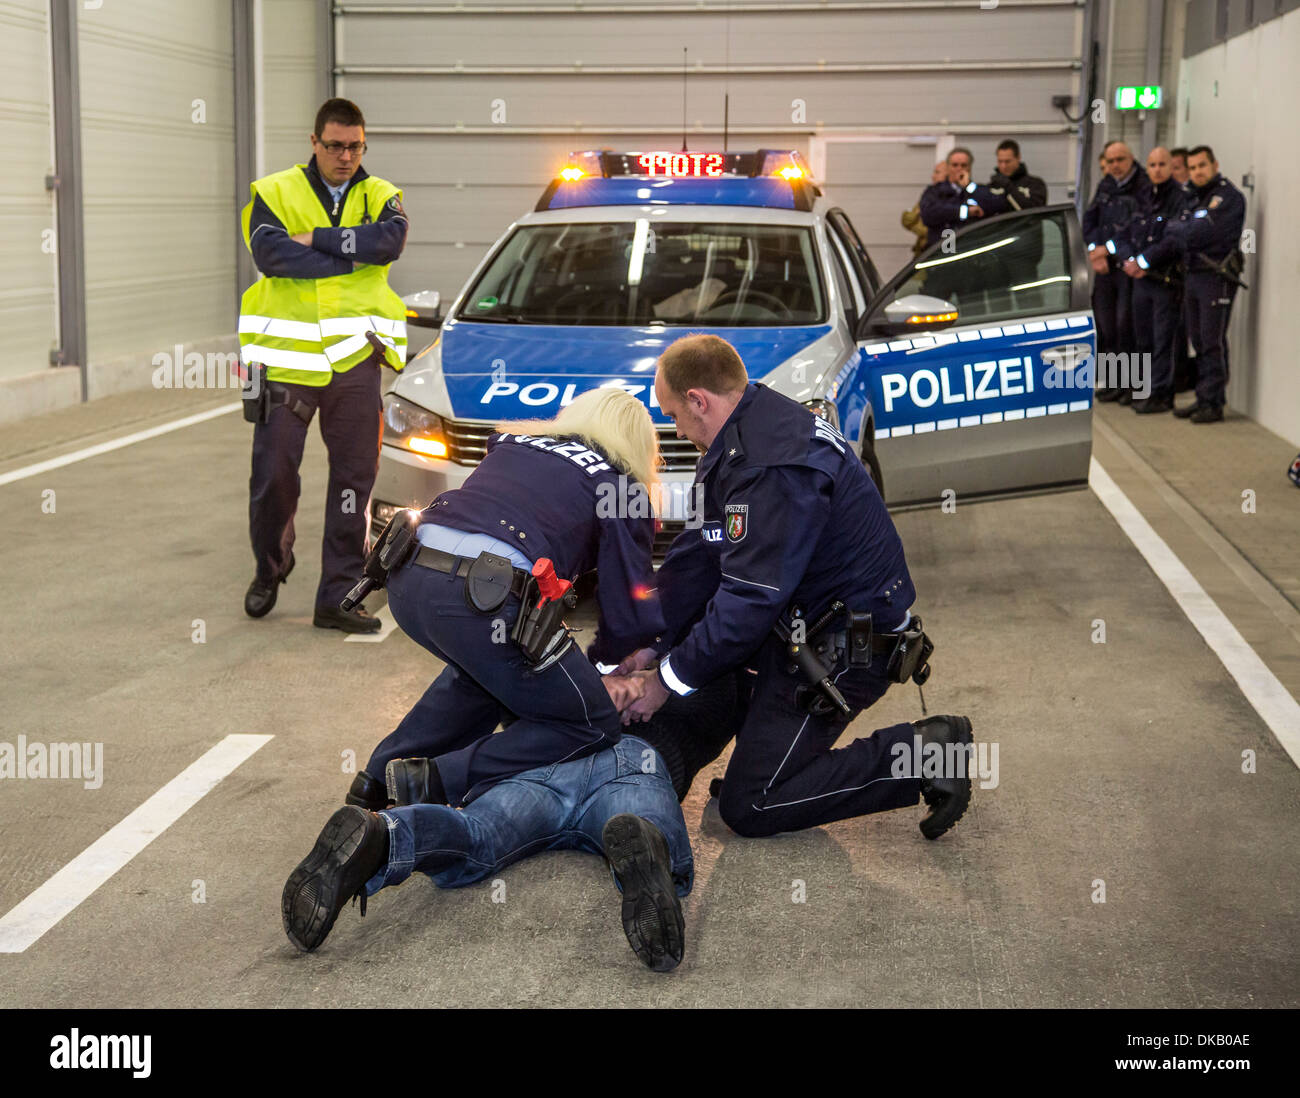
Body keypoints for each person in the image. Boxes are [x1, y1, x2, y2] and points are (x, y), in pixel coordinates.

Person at [620, 334, 975, 841]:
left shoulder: (771, 465)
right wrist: (645, 640)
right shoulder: (749, 430)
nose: (676, 430)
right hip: (807, 625)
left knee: (751, 804)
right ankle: (770, 754)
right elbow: (697, 559)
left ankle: (926, 752)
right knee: (701, 660)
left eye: (674, 415)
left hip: (847, 649)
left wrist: (661, 682)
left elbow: (747, 601)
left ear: (699, 400)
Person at [282, 670, 746, 970]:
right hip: (635, 764)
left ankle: (387, 835)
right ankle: (646, 847)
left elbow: (524, 690)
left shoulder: (587, 668)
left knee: (477, 836)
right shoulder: (715, 680)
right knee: (643, 814)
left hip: (547, 760)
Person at [345, 387, 665, 816]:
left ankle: (375, 781)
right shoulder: (619, 484)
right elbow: (627, 597)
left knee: (485, 675)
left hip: (406, 575)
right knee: (591, 721)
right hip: (479, 597)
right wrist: (609, 667)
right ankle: (435, 780)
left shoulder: (515, 441)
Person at [239, 98, 410, 632]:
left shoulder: (381, 194)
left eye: (355, 146)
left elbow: (392, 241)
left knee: (353, 483)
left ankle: (336, 594)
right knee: (273, 478)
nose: (344, 156)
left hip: (356, 358)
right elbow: (271, 256)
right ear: (314, 142)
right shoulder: (274, 191)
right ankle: (271, 566)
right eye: (334, 145)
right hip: (285, 363)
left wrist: (316, 240)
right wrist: (354, 255)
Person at [1139, 146, 1246, 424]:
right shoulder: (1193, 197)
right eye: (1193, 167)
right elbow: (1173, 230)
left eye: (1202, 166)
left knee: (1211, 341)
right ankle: (1204, 397)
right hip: (1194, 275)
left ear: (1214, 165)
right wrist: (1187, 229)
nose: (1198, 172)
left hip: (1216, 276)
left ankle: (1213, 403)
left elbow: (1201, 232)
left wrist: (1186, 229)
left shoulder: (1228, 197)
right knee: (1197, 340)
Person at [1121, 148, 1188, 414]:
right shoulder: (1144, 196)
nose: (1157, 169)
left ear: (1171, 167)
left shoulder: (1180, 199)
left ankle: (1162, 393)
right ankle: (1145, 389)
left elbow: (1173, 240)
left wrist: (1143, 262)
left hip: (1164, 280)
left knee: (1164, 340)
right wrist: (1127, 259)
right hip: (1140, 280)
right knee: (1143, 339)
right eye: (1152, 164)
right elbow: (1126, 232)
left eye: (1162, 164)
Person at [1083, 141, 1146, 403]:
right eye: (1110, 161)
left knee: (1126, 326)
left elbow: (1134, 227)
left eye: (1120, 159)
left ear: (1131, 158)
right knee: (1106, 326)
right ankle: (1113, 381)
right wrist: (1093, 249)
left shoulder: (1143, 186)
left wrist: (1105, 249)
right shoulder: (1106, 185)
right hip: (1104, 267)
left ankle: (1132, 385)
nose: (1115, 165)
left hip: (1127, 266)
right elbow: (1090, 220)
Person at [985, 139, 1049, 212]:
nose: (1003, 166)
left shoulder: (1035, 184)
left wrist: (1009, 187)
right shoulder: (992, 187)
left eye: (1007, 161)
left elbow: (1034, 212)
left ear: (1018, 158)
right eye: (1000, 161)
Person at [901, 161, 947, 257]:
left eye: (937, 172)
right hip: (923, 254)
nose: (933, 176)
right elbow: (908, 220)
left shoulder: (955, 199)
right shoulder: (929, 197)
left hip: (940, 253)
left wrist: (930, 231)